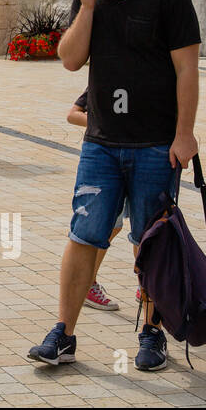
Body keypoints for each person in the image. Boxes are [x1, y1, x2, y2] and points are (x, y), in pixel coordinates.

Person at [27, 0, 201, 372]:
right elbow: (69, 60)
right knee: (84, 235)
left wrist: (184, 135)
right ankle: (63, 334)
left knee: (151, 243)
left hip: (155, 146)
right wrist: (86, 6)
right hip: (100, 144)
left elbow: (187, 69)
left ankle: (151, 333)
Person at [68, 91, 126, 312]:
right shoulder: (106, 78)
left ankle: (146, 285)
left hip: (144, 157)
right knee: (112, 226)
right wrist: (106, 123)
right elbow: (73, 114)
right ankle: (88, 283)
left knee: (145, 232)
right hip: (110, 159)